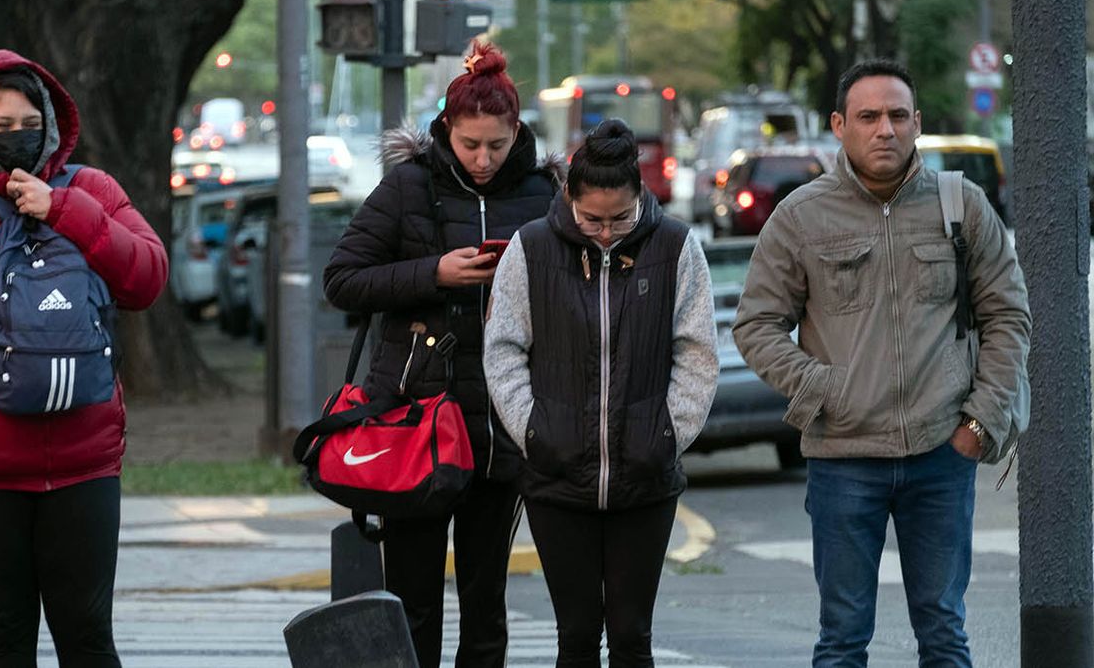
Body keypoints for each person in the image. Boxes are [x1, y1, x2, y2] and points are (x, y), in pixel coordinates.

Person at [732, 59, 1030, 667]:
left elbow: (1009, 316)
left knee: (945, 634)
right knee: (842, 640)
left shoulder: (961, 205)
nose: (885, 129)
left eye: (897, 115)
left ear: (917, 123)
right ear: (840, 125)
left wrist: (980, 422)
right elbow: (756, 325)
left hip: (941, 457)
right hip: (843, 462)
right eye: (868, 117)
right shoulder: (800, 216)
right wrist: (823, 390)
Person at [0, 50, 167, 666]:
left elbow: (146, 279)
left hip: (83, 462)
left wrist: (67, 211)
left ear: (51, 120)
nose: (19, 137)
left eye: (29, 123)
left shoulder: (91, 191)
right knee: (5, 637)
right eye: (1, 127)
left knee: (89, 636)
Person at [323, 41, 561, 668]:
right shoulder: (407, 186)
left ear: (518, 135)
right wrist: (435, 273)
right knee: (413, 600)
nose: (483, 160)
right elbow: (342, 281)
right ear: (445, 132)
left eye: (496, 146)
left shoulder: (544, 194)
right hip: (416, 423)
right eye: (469, 145)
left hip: (502, 427)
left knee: (487, 604)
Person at [483, 118, 719, 667]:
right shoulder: (532, 248)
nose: (606, 232)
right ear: (569, 197)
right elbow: (503, 349)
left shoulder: (677, 247)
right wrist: (534, 429)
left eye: (620, 218)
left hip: (646, 477)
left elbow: (697, 353)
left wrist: (667, 434)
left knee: (633, 636)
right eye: (592, 219)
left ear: (642, 195)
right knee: (577, 636)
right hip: (557, 476)